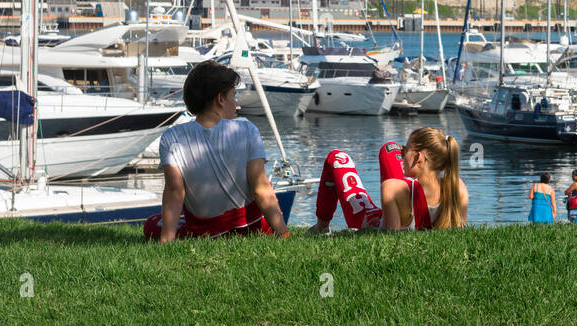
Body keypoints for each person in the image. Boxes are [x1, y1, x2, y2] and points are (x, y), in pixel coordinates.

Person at [144, 60, 290, 242]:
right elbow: (260, 189)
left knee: (152, 223)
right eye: (233, 96)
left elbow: (175, 192)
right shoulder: (246, 129)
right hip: (251, 229)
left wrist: (166, 241)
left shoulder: (171, 137)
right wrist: (284, 235)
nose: (236, 103)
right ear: (220, 99)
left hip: (204, 234)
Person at [311, 127, 468, 232]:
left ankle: (321, 228)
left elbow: (387, 239)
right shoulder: (457, 186)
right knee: (389, 148)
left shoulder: (392, 188)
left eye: (404, 150)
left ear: (418, 157)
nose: (401, 154)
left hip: (377, 219)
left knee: (337, 157)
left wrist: (365, 229)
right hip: (409, 212)